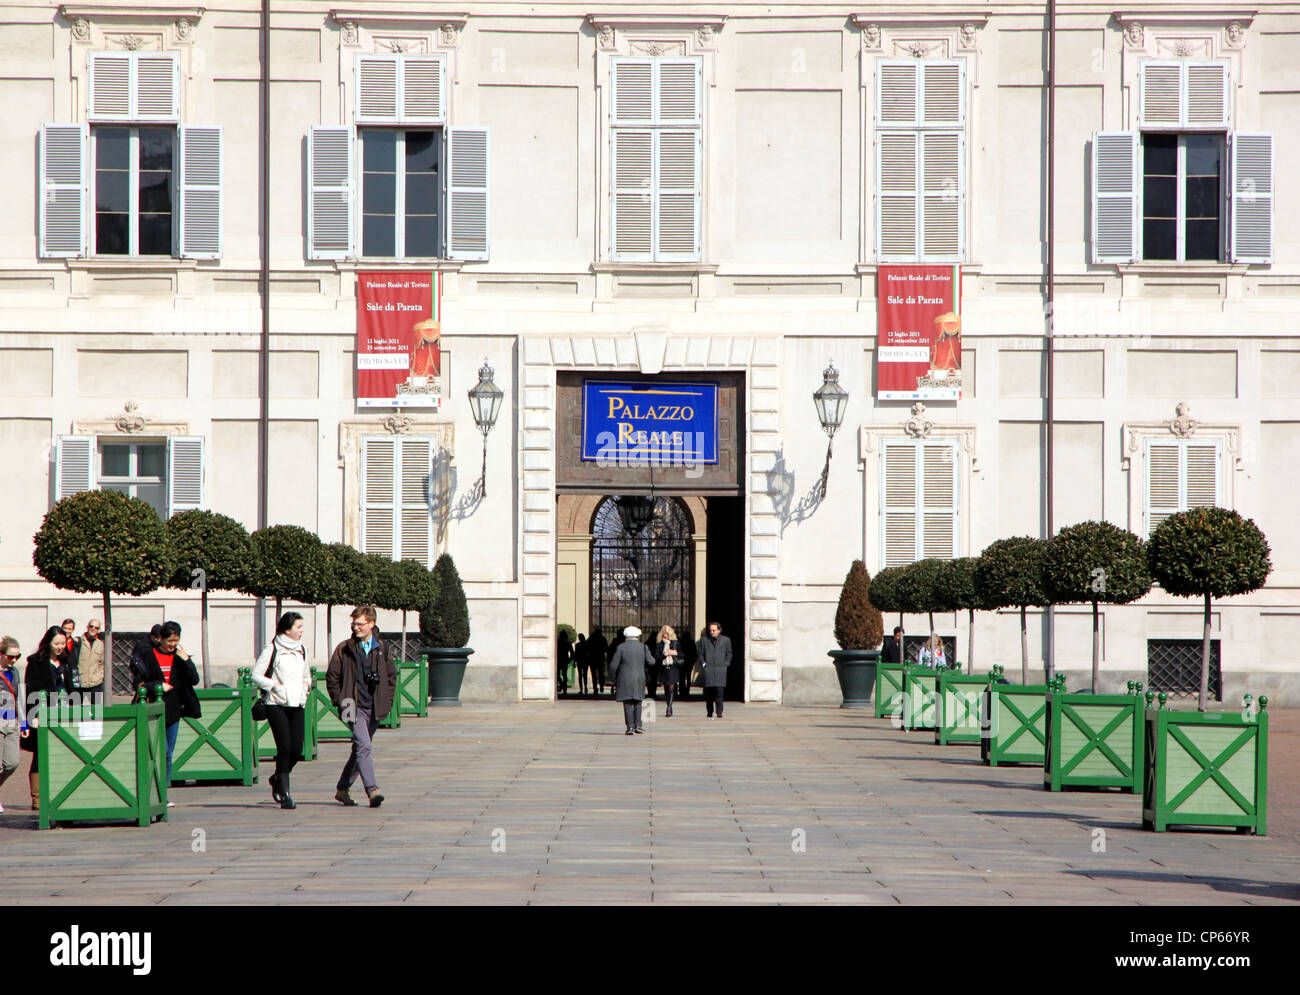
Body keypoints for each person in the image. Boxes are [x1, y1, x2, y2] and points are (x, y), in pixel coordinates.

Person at [327, 605, 396, 808]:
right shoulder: (344, 648)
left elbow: (391, 677)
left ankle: (342, 788)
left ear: (371, 624)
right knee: (364, 746)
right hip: (351, 704)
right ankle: (373, 790)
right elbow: (333, 677)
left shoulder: (382, 648)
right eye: (354, 624)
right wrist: (340, 700)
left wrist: (388, 700)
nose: (356, 628)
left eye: (360, 624)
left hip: (375, 705)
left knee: (359, 747)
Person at [129, 621, 201, 794]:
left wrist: (187, 661)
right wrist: (157, 685)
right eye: (170, 641)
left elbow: (194, 680)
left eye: (176, 640)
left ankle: (164, 787)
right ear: (161, 639)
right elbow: (138, 684)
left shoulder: (179, 656)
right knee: (153, 750)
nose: (173, 645)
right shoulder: (147, 655)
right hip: (151, 708)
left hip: (173, 709)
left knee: (168, 751)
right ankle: (151, 787)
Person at [250, 612, 312, 810]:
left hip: (297, 703)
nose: (301, 631)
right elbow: (256, 675)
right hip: (276, 704)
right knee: (284, 747)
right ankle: (284, 793)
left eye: (302, 627)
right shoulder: (273, 648)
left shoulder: (302, 649)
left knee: (296, 748)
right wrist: (274, 686)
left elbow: (306, 674)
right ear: (287, 629)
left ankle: (277, 776)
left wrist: (306, 686)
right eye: (298, 627)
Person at [22, 626, 73, 809]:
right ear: (48, 643)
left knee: (63, 753)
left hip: (64, 713)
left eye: (62, 643)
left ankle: (59, 794)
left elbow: (71, 686)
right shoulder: (36, 662)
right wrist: (32, 715)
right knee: (40, 755)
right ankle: (37, 798)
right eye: (56, 643)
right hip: (43, 712)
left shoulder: (66, 661)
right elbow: (30, 690)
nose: (60, 647)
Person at [608, 626, 652, 735]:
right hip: (639, 678)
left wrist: (612, 678)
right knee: (638, 701)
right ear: (638, 635)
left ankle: (629, 727)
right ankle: (638, 725)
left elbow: (613, 666)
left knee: (627, 702)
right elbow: (651, 661)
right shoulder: (643, 647)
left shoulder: (621, 647)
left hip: (624, 678)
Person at [0, 637, 24, 813]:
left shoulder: (14, 672)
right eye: (10, 657)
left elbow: (19, 697)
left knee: (12, 763)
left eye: (17, 656)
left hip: (11, 721)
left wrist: (23, 723)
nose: (14, 660)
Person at [697, 621, 732, 719]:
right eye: (710, 630)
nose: (712, 632)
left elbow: (729, 653)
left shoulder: (726, 640)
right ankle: (709, 712)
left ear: (719, 630)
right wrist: (704, 663)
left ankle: (719, 711)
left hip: (721, 669)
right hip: (709, 669)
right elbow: (700, 653)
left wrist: (726, 663)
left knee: (719, 692)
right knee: (709, 693)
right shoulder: (704, 640)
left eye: (714, 630)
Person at [653, 625, 681, 718]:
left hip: (673, 667)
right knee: (666, 687)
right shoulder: (659, 644)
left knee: (671, 687)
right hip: (664, 667)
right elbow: (656, 657)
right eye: (664, 633)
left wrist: (674, 653)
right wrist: (664, 655)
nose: (665, 635)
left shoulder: (676, 643)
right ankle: (668, 703)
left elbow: (682, 654)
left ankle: (669, 707)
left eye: (667, 633)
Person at [76, 619, 106, 700]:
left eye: (96, 627)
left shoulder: (100, 644)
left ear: (99, 630)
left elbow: (102, 663)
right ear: (87, 627)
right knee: (78, 711)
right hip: (80, 683)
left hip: (95, 683)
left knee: (97, 710)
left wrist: (100, 676)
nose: (93, 629)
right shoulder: (78, 642)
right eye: (91, 626)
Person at [587, 628, 608, 693]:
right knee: (601, 673)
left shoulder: (591, 638)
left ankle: (595, 688)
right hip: (600, 658)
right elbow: (606, 648)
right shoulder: (603, 639)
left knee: (594, 674)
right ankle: (601, 686)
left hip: (592, 658)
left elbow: (587, 647)